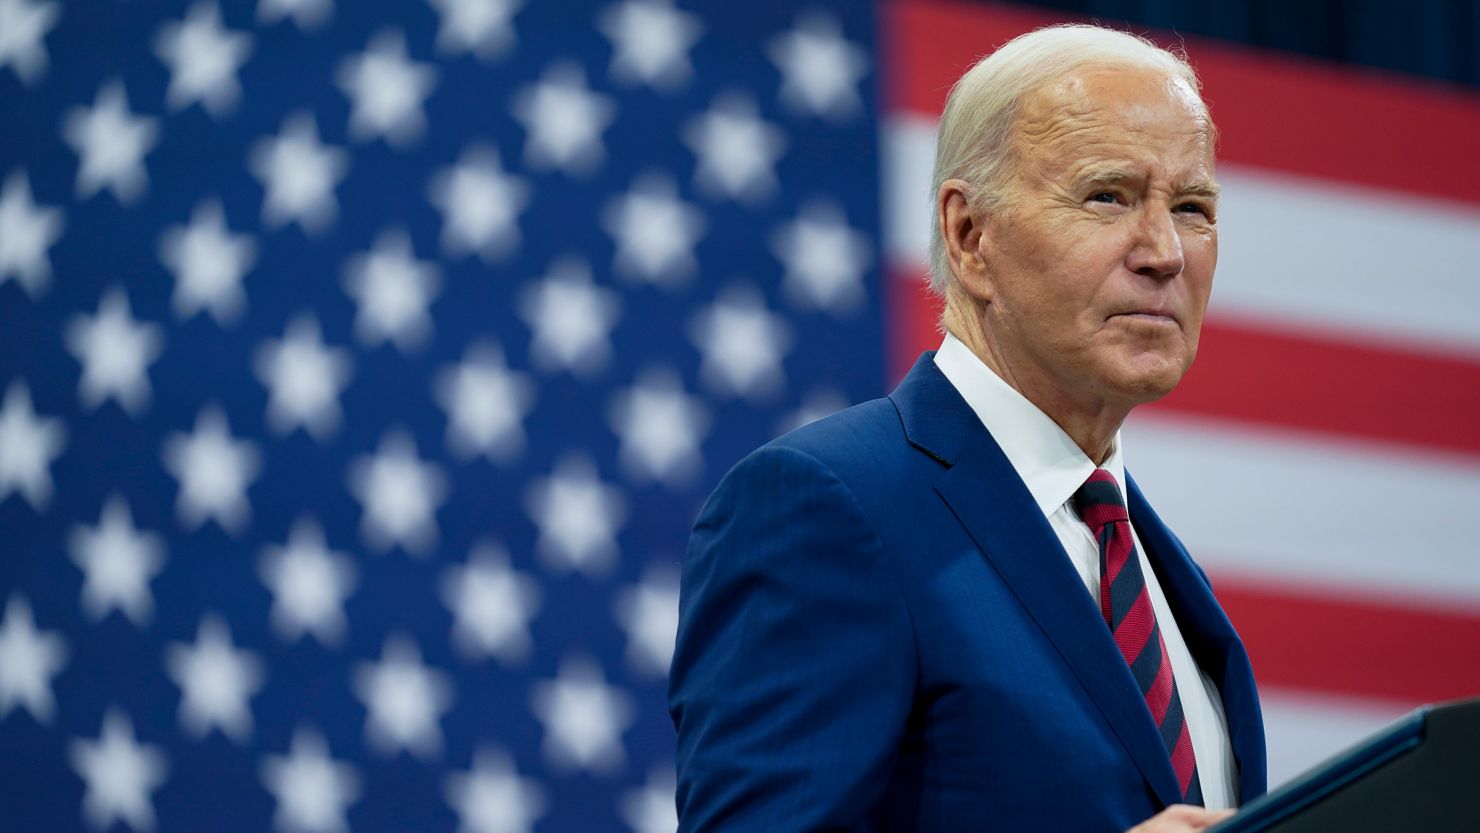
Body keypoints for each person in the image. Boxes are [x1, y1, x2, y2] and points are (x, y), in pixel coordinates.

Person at [668, 23, 1266, 833]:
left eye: (1192, 207)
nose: (1164, 251)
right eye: (1107, 196)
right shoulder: (827, 505)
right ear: (969, 236)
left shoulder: (1153, 562)